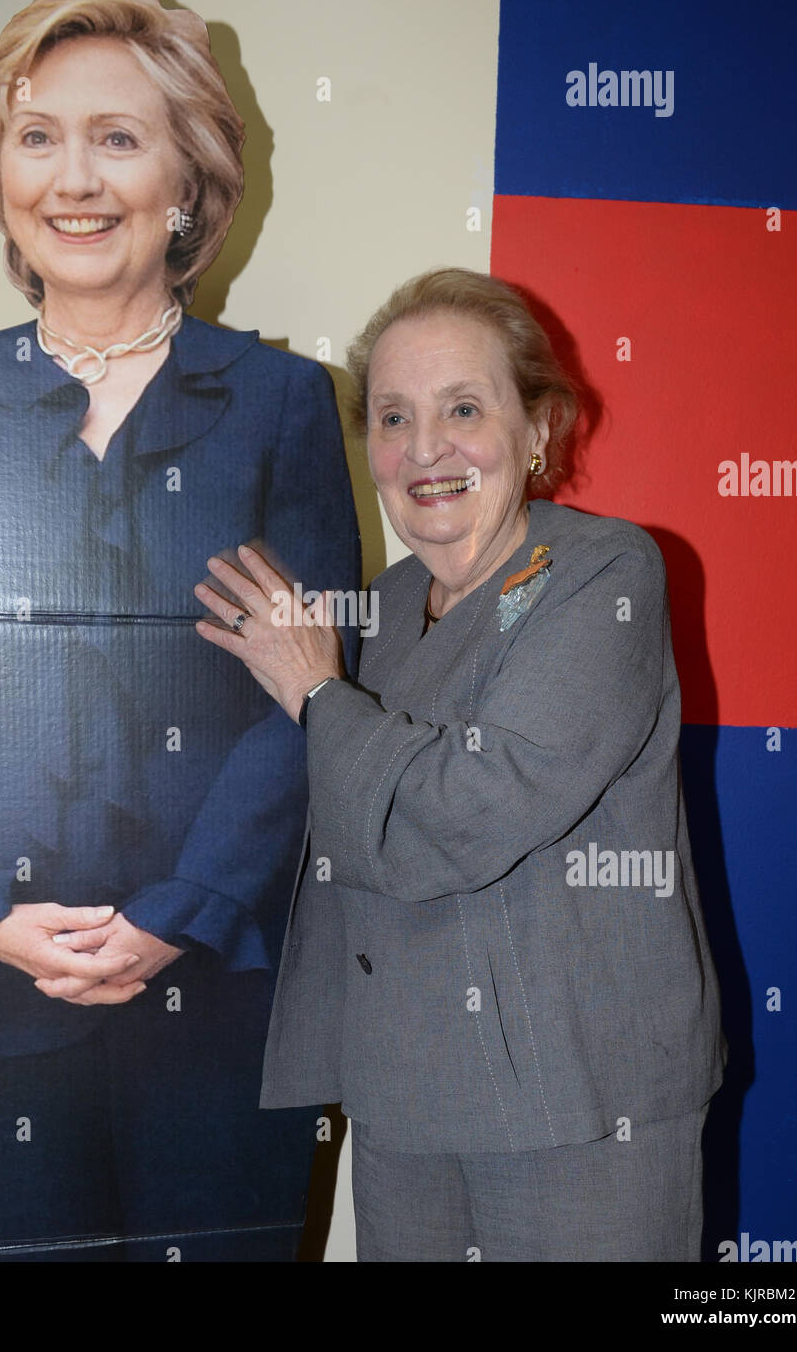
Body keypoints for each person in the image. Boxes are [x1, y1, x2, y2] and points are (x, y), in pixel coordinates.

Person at [0, 0, 359, 1262]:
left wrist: (175, 912)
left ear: (189, 178)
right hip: (3, 983)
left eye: (119, 138)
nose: (73, 179)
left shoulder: (281, 402)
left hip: (225, 978)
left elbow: (307, 698)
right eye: (38, 136)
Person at [195, 267, 726, 1262]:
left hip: (579, 1108)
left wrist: (316, 692)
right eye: (392, 417)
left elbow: (466, 811)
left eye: (463, 408)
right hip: (403, 1107)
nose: (423, 448)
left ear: (537, 431)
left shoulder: (604, 573)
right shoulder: (378, 609)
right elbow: (334, 828)